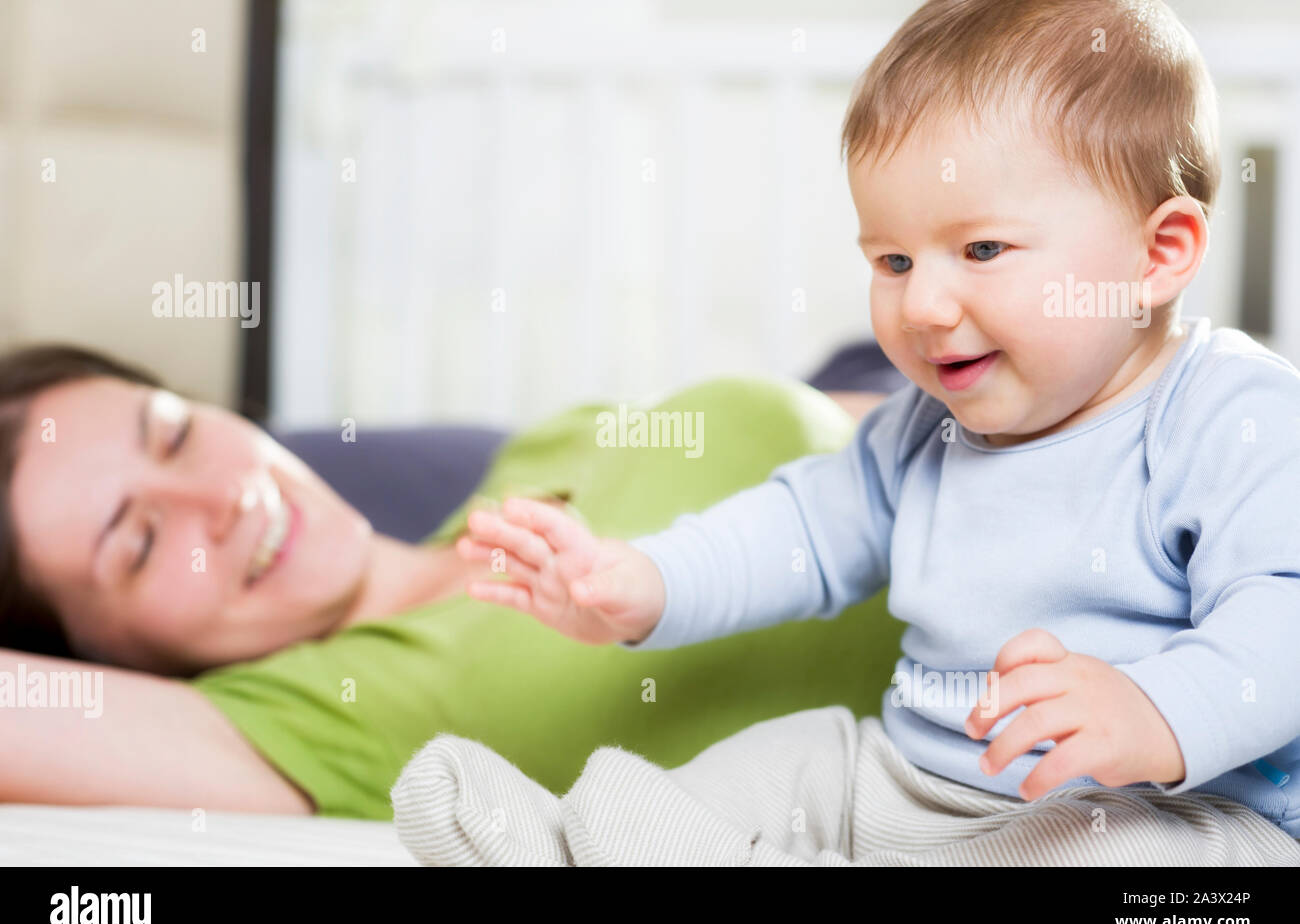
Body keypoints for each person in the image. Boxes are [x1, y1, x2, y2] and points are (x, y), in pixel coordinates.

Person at [450, 0, 1300, 860]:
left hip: (1163, 813)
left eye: (982, 251)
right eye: (892, 262)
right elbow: (797, 531)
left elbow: (1284, 618)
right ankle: (561, 842)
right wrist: (641, 580)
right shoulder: (919, 431)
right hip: (912, 782)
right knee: (788, 763)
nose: (924, 307)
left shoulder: (1232, 417)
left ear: (1158, 255)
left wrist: (1158, 711)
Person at [0, 344, 901, 818]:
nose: (221, 498)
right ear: (96, 656)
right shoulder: (311, 718)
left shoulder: (544, 447)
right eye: (141, 543)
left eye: (176, 434)